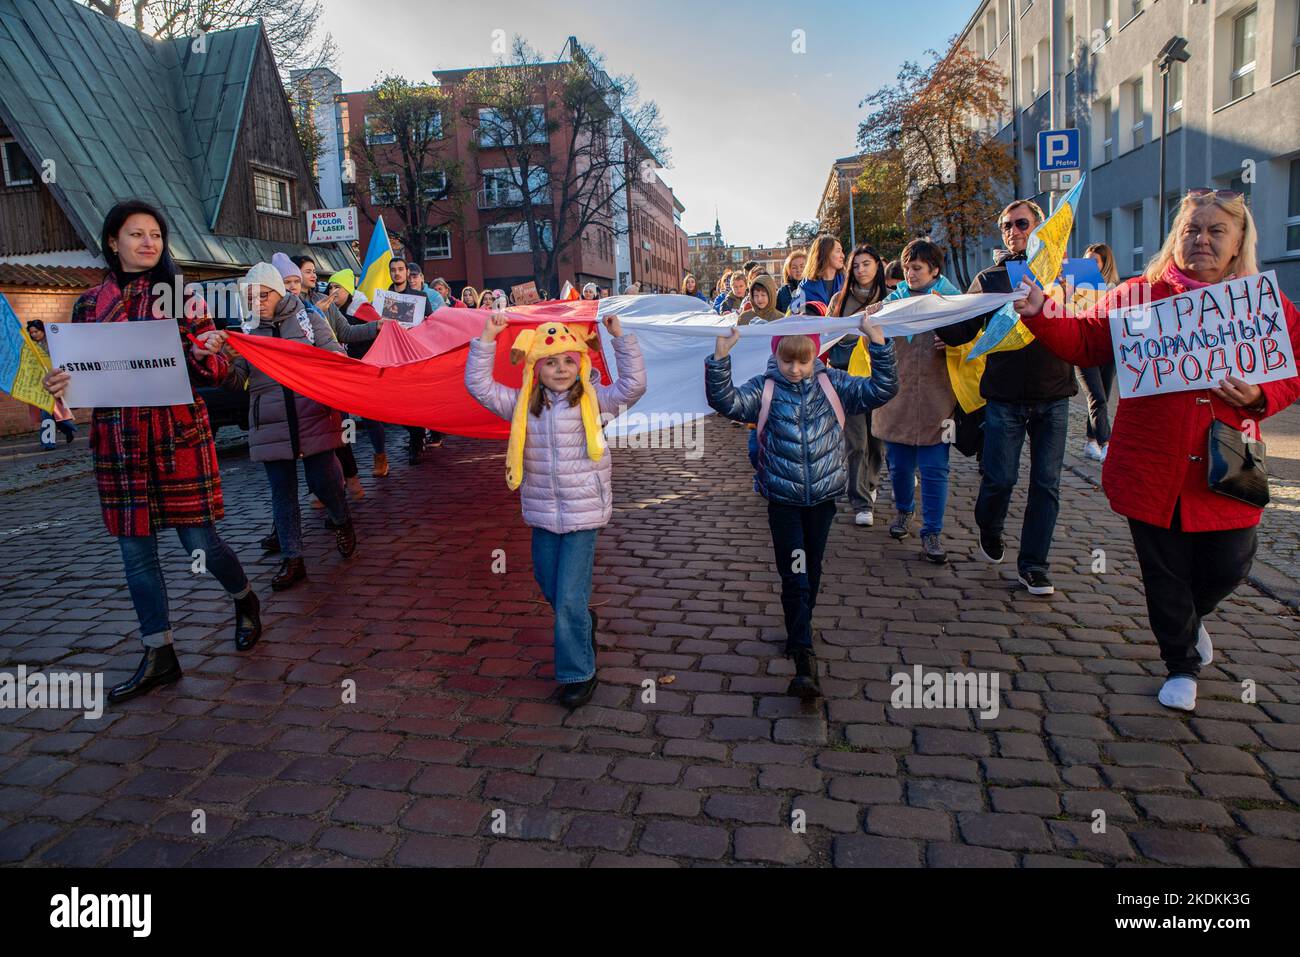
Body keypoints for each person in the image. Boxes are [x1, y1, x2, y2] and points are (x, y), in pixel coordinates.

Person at [1012, 189, 1300, 711]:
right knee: (1164, 570)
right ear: (1176, 236)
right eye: (1192, 229)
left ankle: (1191, 619)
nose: (1202, 240)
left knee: (1233, 562)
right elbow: (1085, 341)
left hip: (1227, 465)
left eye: (1216, 231)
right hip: (1151, 464)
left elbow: (1293, 369)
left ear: (1238, 242)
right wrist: (1040, 312)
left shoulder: (1261, 303)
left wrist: (1262, 395)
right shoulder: (1138, 295)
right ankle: (1181, 663)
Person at [40, 200, 261, 705]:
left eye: (156, 234)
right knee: (136, 556)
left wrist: (213, 355)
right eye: (136, 233)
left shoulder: (182, 296)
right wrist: (59, 383)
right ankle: (159, 653)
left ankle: (243, 599)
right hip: (118, 442)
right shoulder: (88, 305)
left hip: (175, 436)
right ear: (112, 242)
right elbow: (73, 384)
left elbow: (232, 376)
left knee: (199, 544)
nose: (148, 242)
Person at [465, 313, 647, 708]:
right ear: (536, 366)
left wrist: (620, 337)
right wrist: (487, 338)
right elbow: (478, 386)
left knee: (567, 599)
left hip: (584, 514)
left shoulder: (596, 402)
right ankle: (581, 623)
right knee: (550, 585)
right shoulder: (521, 407)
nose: (561, 369)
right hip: (542, 512)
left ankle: (578, 672)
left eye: (568, 360)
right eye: (551, 361)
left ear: (581, 363)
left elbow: (634, 385)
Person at [707, 322, 897, 698]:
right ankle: (803, 654)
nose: (795, 368)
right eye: (787, 360)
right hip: (784, 501)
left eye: (803, 360)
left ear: (816, 357)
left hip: (823, 499)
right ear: (776, 356)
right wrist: (720, 359)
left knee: (812, 567)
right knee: (795, 573)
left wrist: (879, 345)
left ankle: (800, 627)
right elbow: (726, 401)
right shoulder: (766, 389)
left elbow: (882, 389)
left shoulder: (834, 384)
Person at [937, 199, 1075, 595]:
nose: (1014, 231)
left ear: (1040, 226)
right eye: (1006, 226)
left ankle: (1034, 565)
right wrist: (927, 314)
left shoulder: (1065, 274)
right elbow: (963, 327)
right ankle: (990, 526)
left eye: (1021, 223)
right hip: (1004, 397)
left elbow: (1087, 324)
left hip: (1055, 394)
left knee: (1046, 484)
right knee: (999, 478)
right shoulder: (991, 279)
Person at [215, 261, 358, 592]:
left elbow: (334, 356)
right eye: (248, 297)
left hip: (313, 415)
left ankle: (342, 519)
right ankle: (293, 559)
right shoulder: (246, 333)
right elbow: (237, 382)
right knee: (282, 491)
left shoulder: (309, 319)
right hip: (271, 423)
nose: (256, 302)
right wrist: (222, 363)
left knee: (324, 481)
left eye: (262, 294)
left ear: (278, 292)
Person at [865, 240, 973, 563]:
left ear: (935, 270)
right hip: (897, 400)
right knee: (898, 467)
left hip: (936, 401)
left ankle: (932, 533)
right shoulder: (891, 304)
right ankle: (903, 511)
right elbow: (873, 348)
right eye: (907, 267)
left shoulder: (954, 305)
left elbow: (973, 342)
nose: (910, 273)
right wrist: (872, 322)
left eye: (917, 268)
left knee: (935, 468)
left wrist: (954, 341)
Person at [283, 255, 382, 499]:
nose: (313, 275)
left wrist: (376, 326)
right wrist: (316, 312)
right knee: (314, 438)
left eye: (313, 271)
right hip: (304, 380)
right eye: (307, 271)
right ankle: (321, 489)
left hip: (332, 375)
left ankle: (352, 477)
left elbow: (346, 332)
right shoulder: (285, 306)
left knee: (341, 430)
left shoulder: (323, 299)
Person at [826, 243, 888, 526]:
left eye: (866, 263)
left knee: (877, 440)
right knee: (856, 442)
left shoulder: (889, 298)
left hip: (877, 376)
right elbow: (826, 333)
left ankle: (871, 484)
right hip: (846, 376)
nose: (861, 269)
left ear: (877, 265)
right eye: (856, 264)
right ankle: (860, 500)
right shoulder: (839, 299)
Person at [1076, 242, 1120, 462]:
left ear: (1105, 264)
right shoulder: (1075, 288)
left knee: (1102, 396)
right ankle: (1105, 443)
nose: (1090, 265)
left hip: (1107, 350)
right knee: (1098, 398)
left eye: (1095, 261)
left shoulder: (1115, 290)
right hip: (1084, 350)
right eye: (1087, 261)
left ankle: (1090, 441)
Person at [387, 259, 431, 464]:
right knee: (397, 402)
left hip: (415, 354)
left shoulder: (420, 297)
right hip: (394, 355)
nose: (397, 273)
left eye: (400, 270)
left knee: (416, 399)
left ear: (407, 272)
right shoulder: (384, 297)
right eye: (393, 270)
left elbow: (431, 322)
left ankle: (416, 441)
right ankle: (416, 432)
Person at [24, 320, 77, 448]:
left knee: (49, 413)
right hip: (39, 385)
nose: (34, 335)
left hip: (53, 383)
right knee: (48, 413)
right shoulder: (31, 347)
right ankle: (66, 430)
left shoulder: (52, 344)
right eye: (31, 333)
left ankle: (49, 442)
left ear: (42, 330)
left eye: (36, 331)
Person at [797, 234, 845, 309]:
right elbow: (797, 316)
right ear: (825, 253)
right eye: (838, 251)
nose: (843, 256)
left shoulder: (847, 282)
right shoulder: (805, 287)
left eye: (842, 251)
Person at [777, 248, 807, 314]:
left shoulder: (815, 288)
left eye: (802, 266)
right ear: (788, 271)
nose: (798, 270)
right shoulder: (782, 292)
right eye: (794, 267)